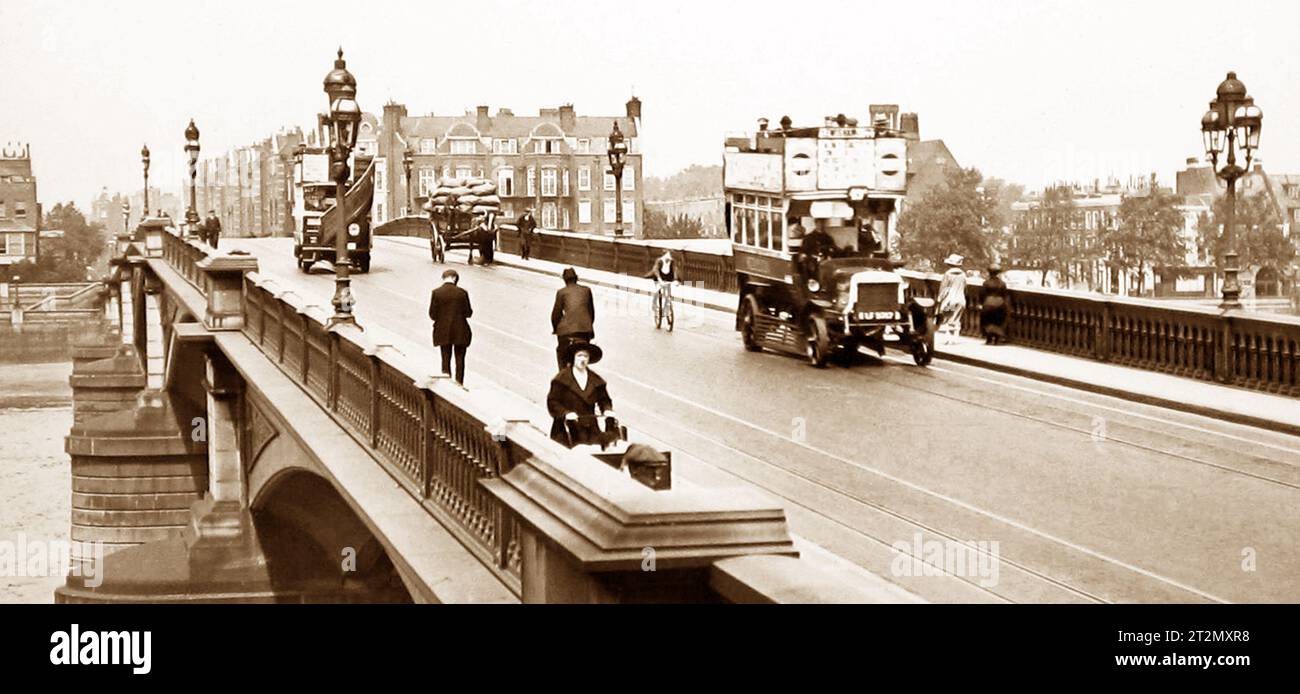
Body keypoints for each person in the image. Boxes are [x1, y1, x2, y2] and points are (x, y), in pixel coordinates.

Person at [546, 340, 616, 448]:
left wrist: (607, 410)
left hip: (590, 428)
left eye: (586, 356)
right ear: (573, 358)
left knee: (596, 451)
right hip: (566, 429)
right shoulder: (561, 379)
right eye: (579, 356)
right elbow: (553, 402)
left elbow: (604, 400)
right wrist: (565, 413)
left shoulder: (596, 380)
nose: (582, 359)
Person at [428, 269, 473, 384]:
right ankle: (459, 383)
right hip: (461, 331)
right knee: (460, 360)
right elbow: (468, 313)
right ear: (454, 278)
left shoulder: (436, 293)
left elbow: (432, 314)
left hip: (443, 331)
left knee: (445, 358)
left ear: (444, 278)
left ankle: (447, 384)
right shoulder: (462, 293)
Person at [551, 267, 595, 370]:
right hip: (584, 332)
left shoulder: (561, 292)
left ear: (565, 280)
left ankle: (562, 377)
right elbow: (591, 313)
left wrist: (555, 329)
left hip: (566, 332)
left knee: (561, 354)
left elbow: (555, 315)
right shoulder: (587, 290)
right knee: (583, 356)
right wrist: (587, 327)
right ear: (576, 279)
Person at [936, 254, 967, 345]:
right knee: (956, 319)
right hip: (960, 299)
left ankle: (948, 338)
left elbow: (943, 288)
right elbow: (965, 287)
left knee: (947, 318)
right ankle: (955, 338)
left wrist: (939, 299)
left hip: (949, 300)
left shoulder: (948, 274)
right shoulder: (963, 275)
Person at [979, 263, 1010, 345]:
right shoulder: (1002, 283)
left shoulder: (986, 283)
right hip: (1000, 304)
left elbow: (982, 294)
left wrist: (981, 303)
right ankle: (996, 339)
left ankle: (989, 338)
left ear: (989, 272)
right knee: (998, 321)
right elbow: (1005, 295)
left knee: (987, 321)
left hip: (988, 303)